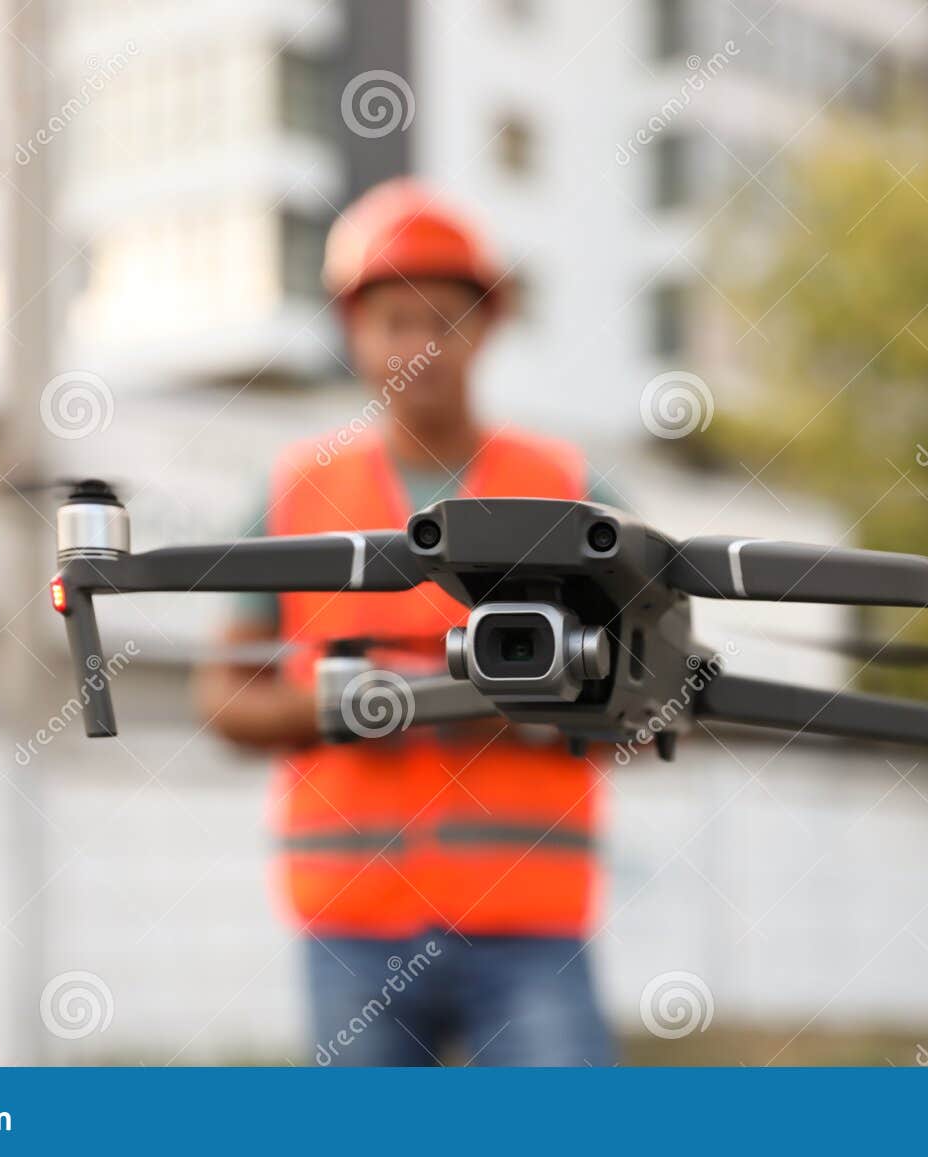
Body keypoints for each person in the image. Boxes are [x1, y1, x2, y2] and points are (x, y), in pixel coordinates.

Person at [195, 178, 619, 1066]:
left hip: (530, 919)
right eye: (395, 321)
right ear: (353, 331)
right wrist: (344, 706)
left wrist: (548, 707)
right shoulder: (294, 491)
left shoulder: (571, 491)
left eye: (446, 320)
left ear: (487, 327)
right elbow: (224, 694)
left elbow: (656, 690)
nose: (422, 347)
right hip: (352, 922)